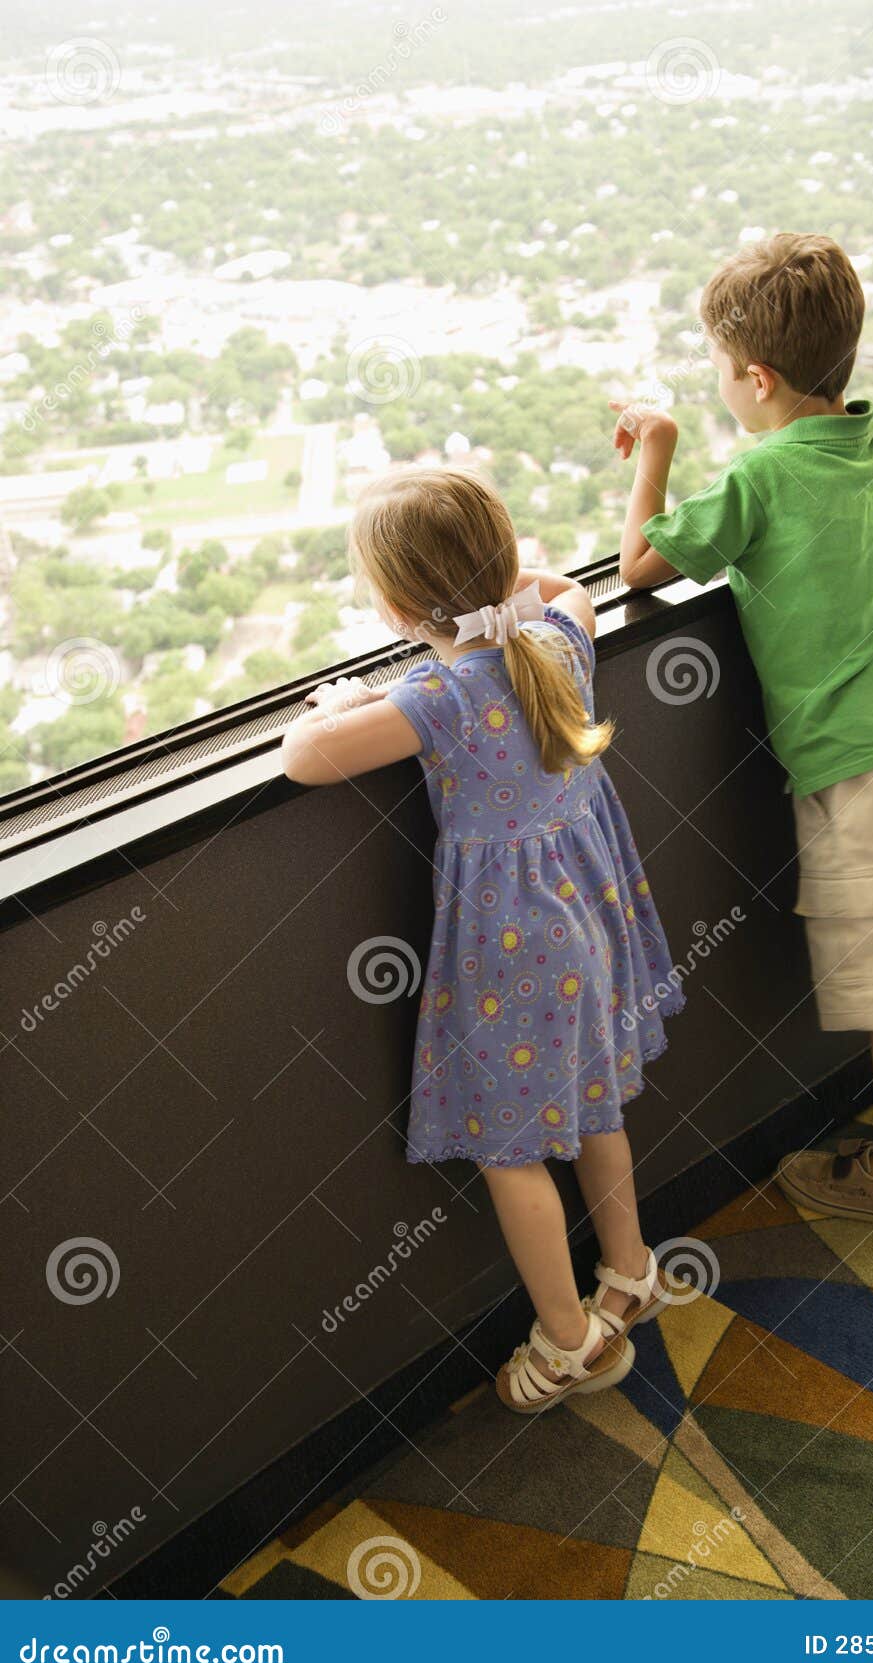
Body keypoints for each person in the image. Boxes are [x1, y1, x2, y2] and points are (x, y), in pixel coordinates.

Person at [610, 231, 873, 1231]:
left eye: (721, 370)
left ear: (755, 378)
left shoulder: (756, 481)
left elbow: (638, 565)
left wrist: (657, 449)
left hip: (854, 759)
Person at [281, 466, 683, 1410]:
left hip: (515, 949)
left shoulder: (439, 698)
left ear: (395, 607)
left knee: (509, 1147)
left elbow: (302, 759)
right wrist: (507, 588)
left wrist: (338, 707)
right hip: (588, 917)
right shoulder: (556, 643)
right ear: (503, 564)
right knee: (595, 1104)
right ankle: (630, 1270)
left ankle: (573, 1343)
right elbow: (570, 590)